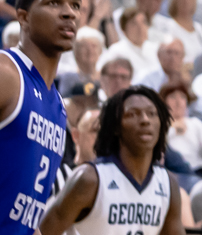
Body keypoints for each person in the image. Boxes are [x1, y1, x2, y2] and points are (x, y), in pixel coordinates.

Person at [38, 87, 184, 235]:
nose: (145, 120)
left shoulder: (168, 184)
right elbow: (43, 231)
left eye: (151, 113)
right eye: (132, 114)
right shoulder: (90, 179)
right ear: (116, 127)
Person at [0, 0, 79, 233]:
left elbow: (25, 214)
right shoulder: (7, 73)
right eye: (54, 2)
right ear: (23, 18)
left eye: (75, 5)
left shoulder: (58, 107)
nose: (69, 13)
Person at [162, 83, 202, 173]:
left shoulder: (195, 123)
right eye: (173, 97)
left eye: (182, 97)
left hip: (198, 170)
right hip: (173, 170)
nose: (178, 102)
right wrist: (173, 129)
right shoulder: (161, 125)